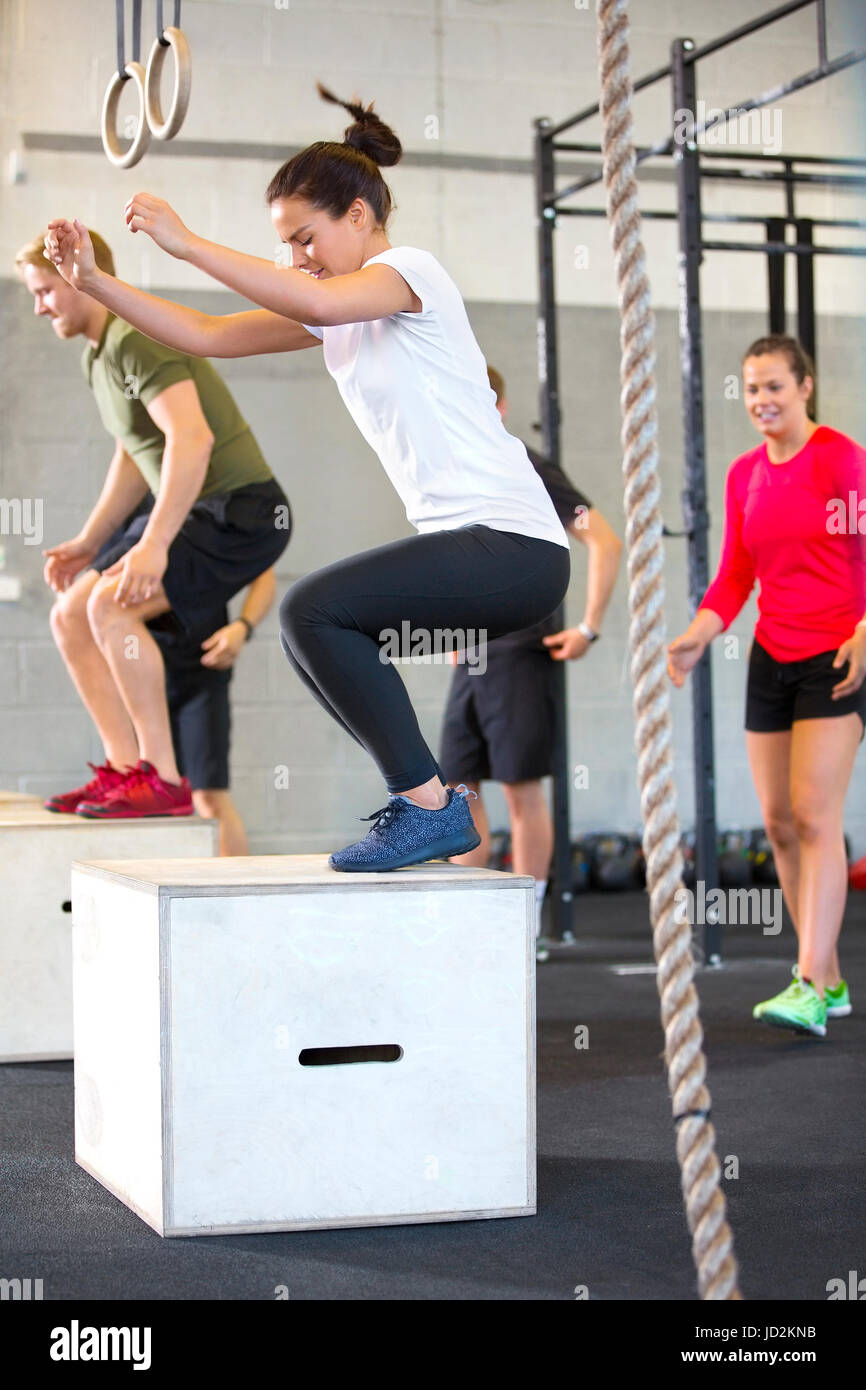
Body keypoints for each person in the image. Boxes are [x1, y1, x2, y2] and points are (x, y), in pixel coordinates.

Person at [43, 84, 571, 872]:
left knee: (311, 609)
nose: (297, 259)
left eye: (304, 238)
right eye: (286, 247)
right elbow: (208, 334)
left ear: (358, 215)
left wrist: (188, 242)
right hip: (477, 549)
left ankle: (431, 807)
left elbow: (310, 302)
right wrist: (95, 284)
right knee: (310, 633)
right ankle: (428, 803)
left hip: (517, 546)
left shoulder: (407, 272)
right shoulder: (338, 311)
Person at [17, 229, 291, 820]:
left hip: (239, 508)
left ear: (78, 278)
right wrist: (90, 541)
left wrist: (154, 546)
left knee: (110, 608)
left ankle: (161, 780)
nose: (39, 307)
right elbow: (136, 455)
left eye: (44, 291)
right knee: (69, 614)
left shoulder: (135, 338)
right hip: (195, 503)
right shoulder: (100, 353)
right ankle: (122, 770)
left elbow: (191, 439)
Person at [668, 335, 866, 1036]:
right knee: (781, 823)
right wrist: (697, 633)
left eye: (775, 387)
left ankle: (808, 981)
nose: (762, 401)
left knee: (816, 816)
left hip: (838, 657)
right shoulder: (747, 472)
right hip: (771, 657)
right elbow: (735, 575)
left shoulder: (840, 460)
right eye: (752, 389)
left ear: (805, 387)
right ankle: (830, 978)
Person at [442, 366, 622, 955]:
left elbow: (604, 540)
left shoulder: (530, 467)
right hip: (471, 655)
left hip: (523, 652)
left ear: (498, 405)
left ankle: (527, 920)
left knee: (522, 791)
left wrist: (589, 628)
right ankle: (474, 918)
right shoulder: (457, 472)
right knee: (457, 791)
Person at [55, 491, 277, 855]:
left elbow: (262, 572)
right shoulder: (126, 513)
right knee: (141, 790)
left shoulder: (208, 507)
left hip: (198, 667)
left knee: (209, 796)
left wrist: (243, 627)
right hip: (139, 675)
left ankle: (235, 898)